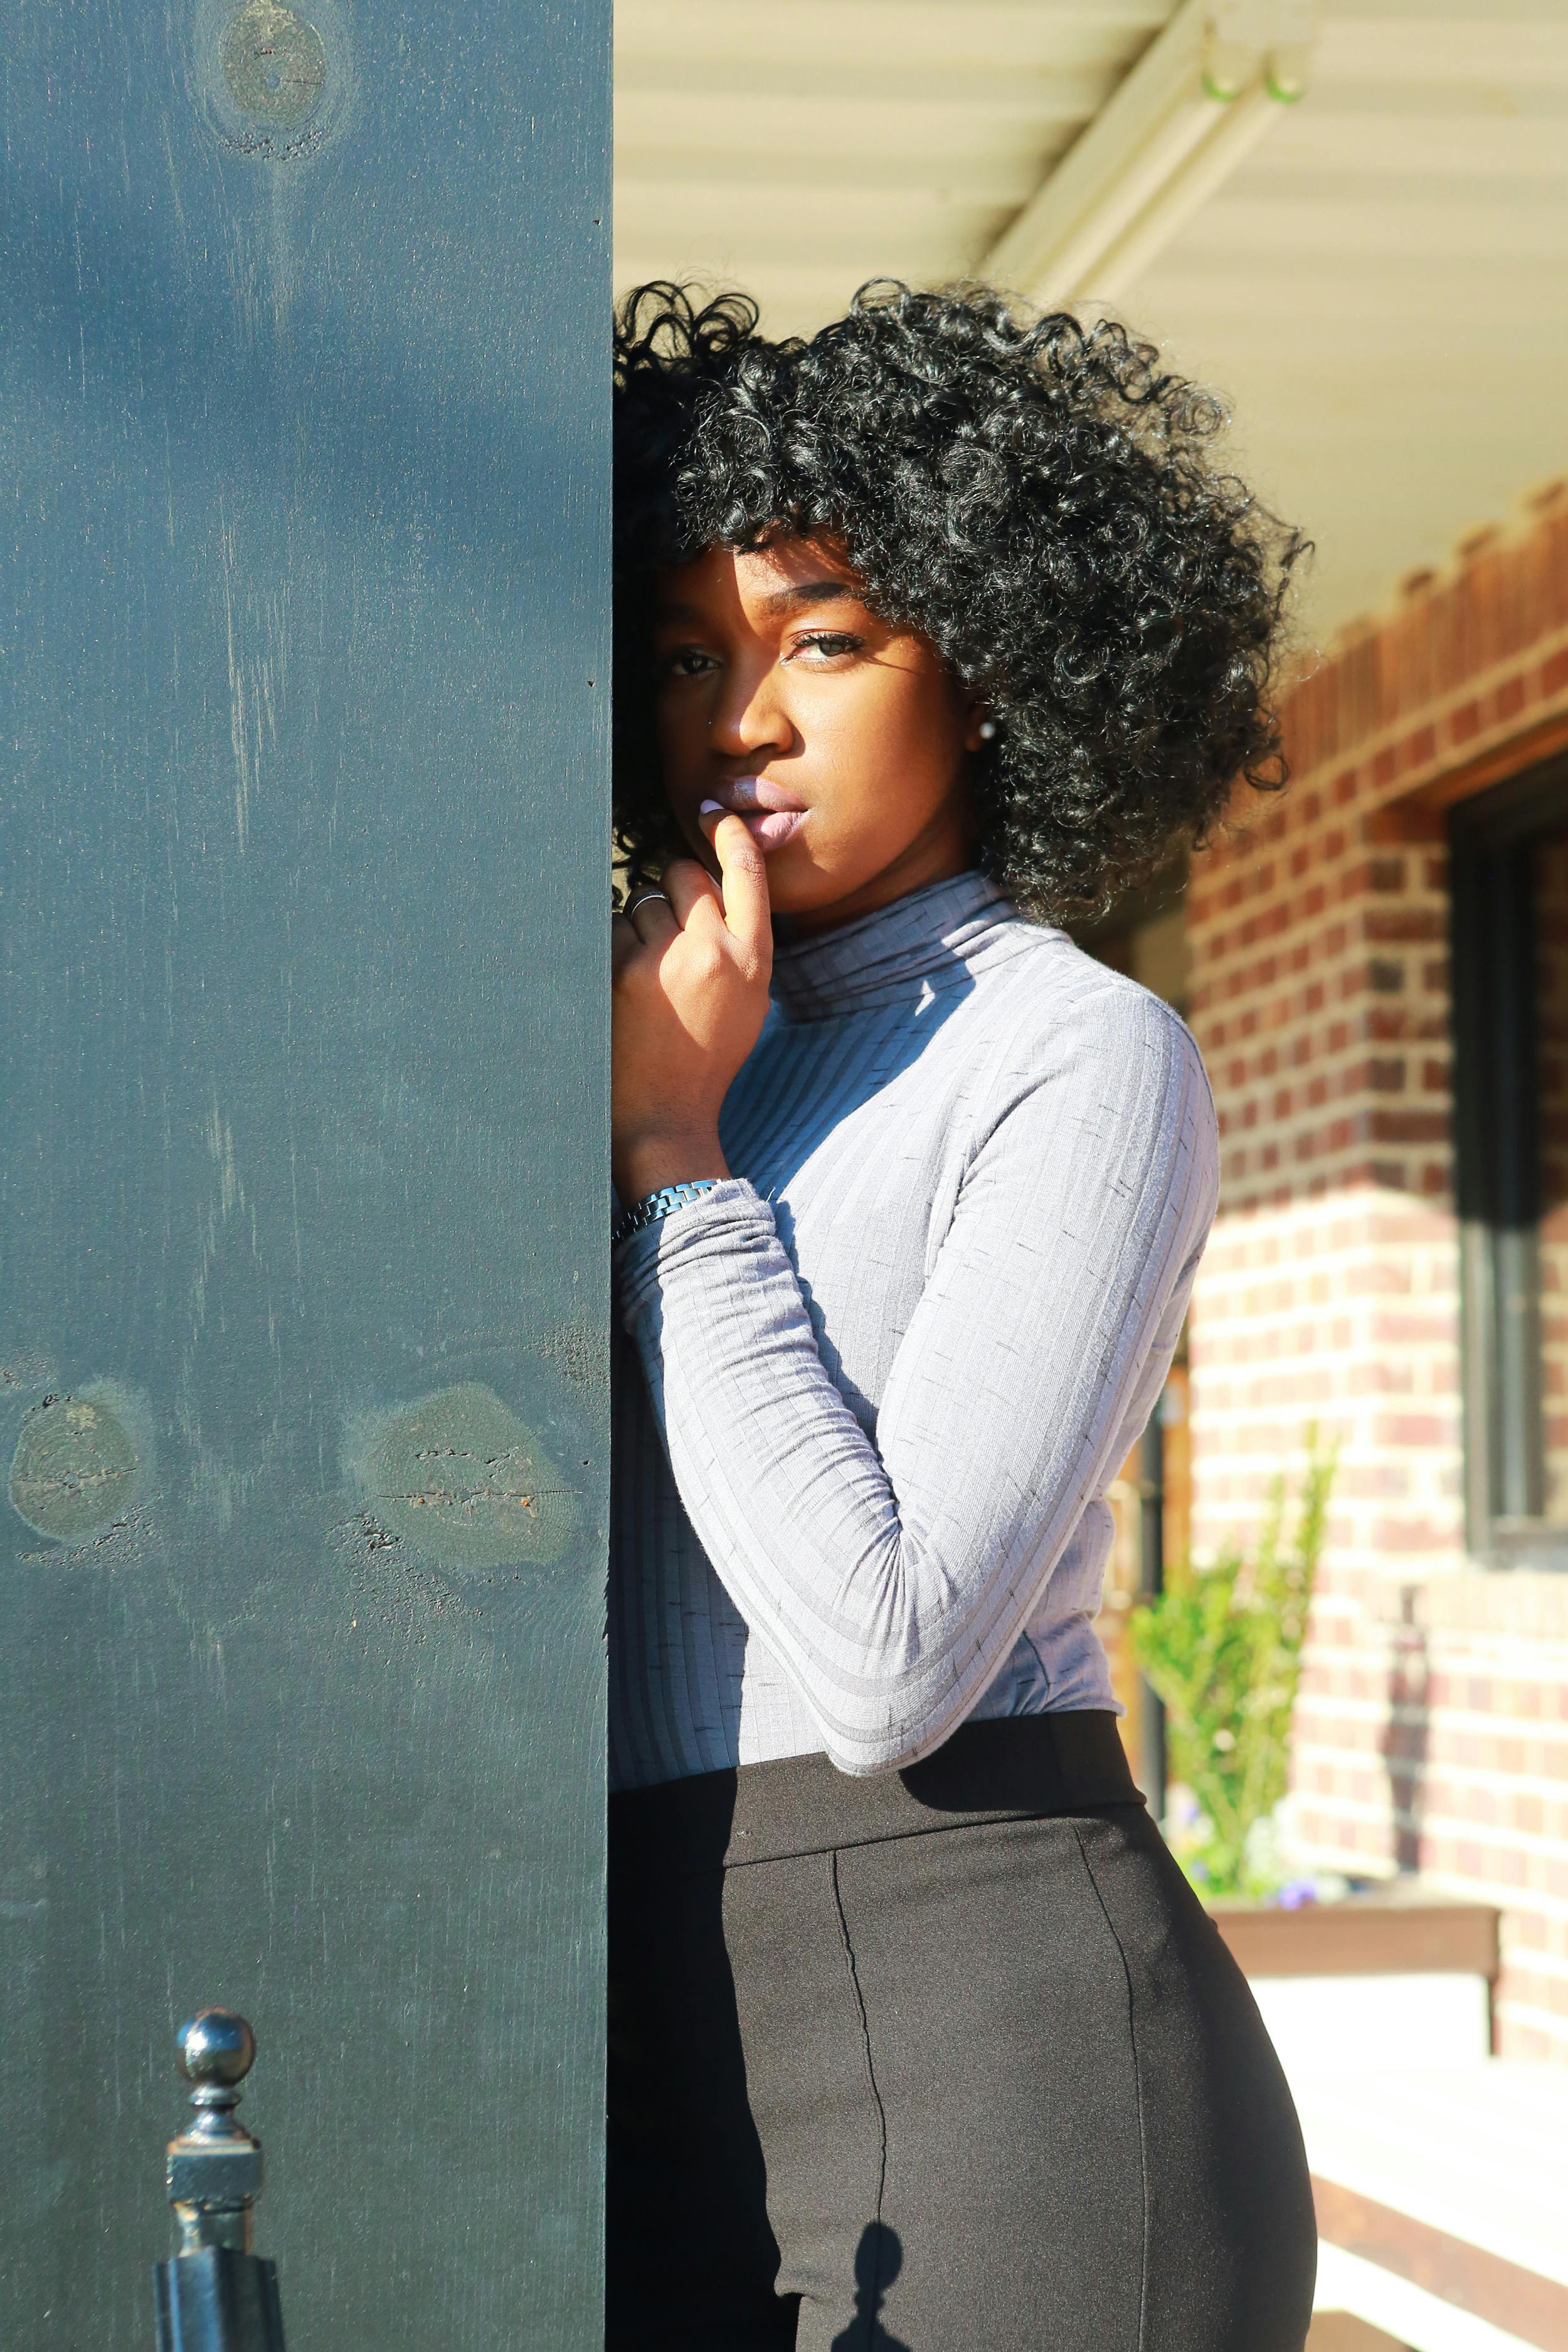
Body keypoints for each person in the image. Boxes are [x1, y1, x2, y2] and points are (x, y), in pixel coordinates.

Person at [607, 280, 1316, 2352]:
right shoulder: (619, 1036)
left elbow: (892, 1654)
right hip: (650, 2054)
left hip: (991, 2042)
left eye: (826, 640)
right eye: (682, 656)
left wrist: (674, 1162)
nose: (743, 716)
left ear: (996, 666)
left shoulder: (1072, 1056)